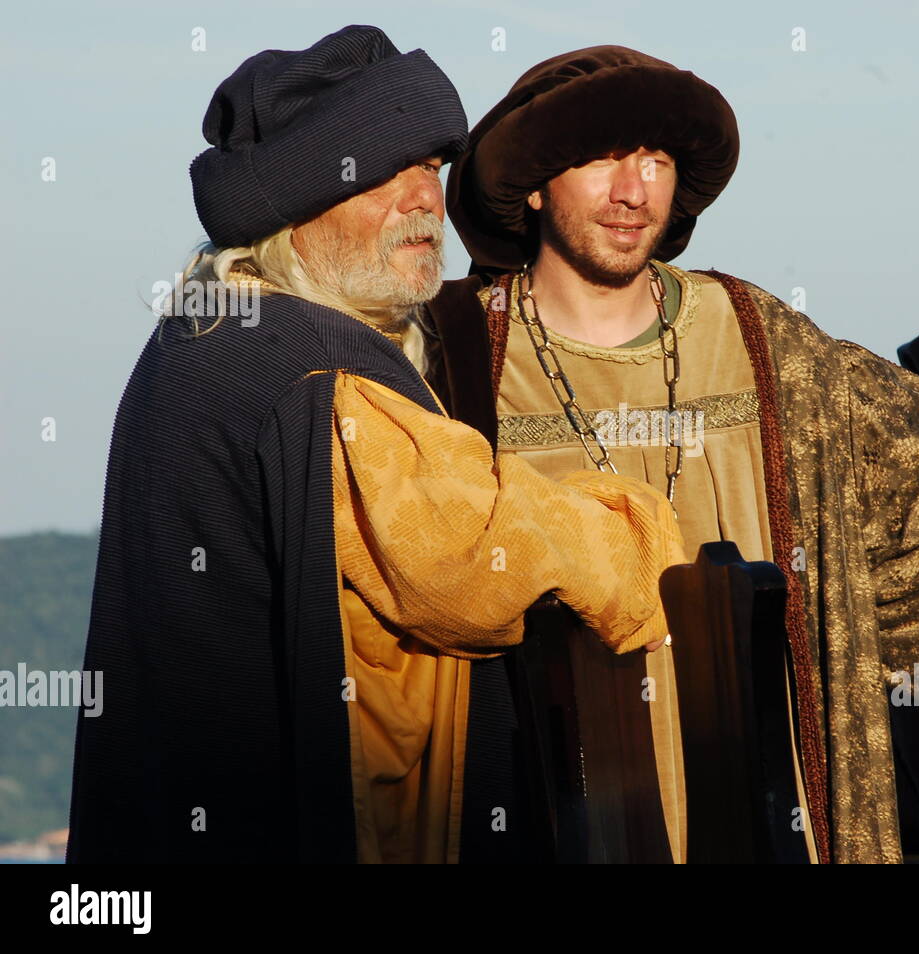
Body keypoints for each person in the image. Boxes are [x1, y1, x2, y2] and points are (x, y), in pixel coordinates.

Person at [424, 45, 919, 863]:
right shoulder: (452, 362)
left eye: (656, 161)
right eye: (602, 160)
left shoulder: (760, 340)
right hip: (550, 813)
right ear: (533, 181)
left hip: (780, 811)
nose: (635, 192)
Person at [66, 26, 684, 864]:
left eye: (429, 167)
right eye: (380, 174)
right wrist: (644, 539)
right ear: (294, 206)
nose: (423, 201)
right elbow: (467, 560)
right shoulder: (314, 370)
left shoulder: (206, 335)